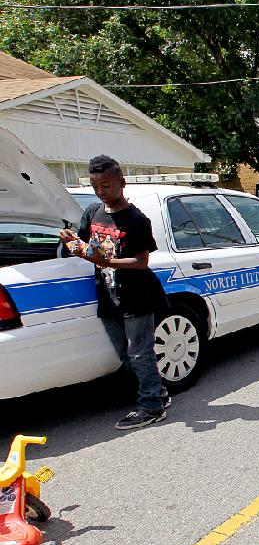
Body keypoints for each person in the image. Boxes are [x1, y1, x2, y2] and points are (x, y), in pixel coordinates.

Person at [58, 155, 170, 430]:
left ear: (122, 182)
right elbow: (85, 247)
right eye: (95, 186)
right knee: (125, 353)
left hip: (137, 296)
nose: (101, 192)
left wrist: (106, 261)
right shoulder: (92, 213)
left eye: (106, 186)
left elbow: (141, 262)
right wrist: (70, 241)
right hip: (108, 296)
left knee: (140, 353)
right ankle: (157, 393)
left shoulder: (136, 220)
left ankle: (152, 407)